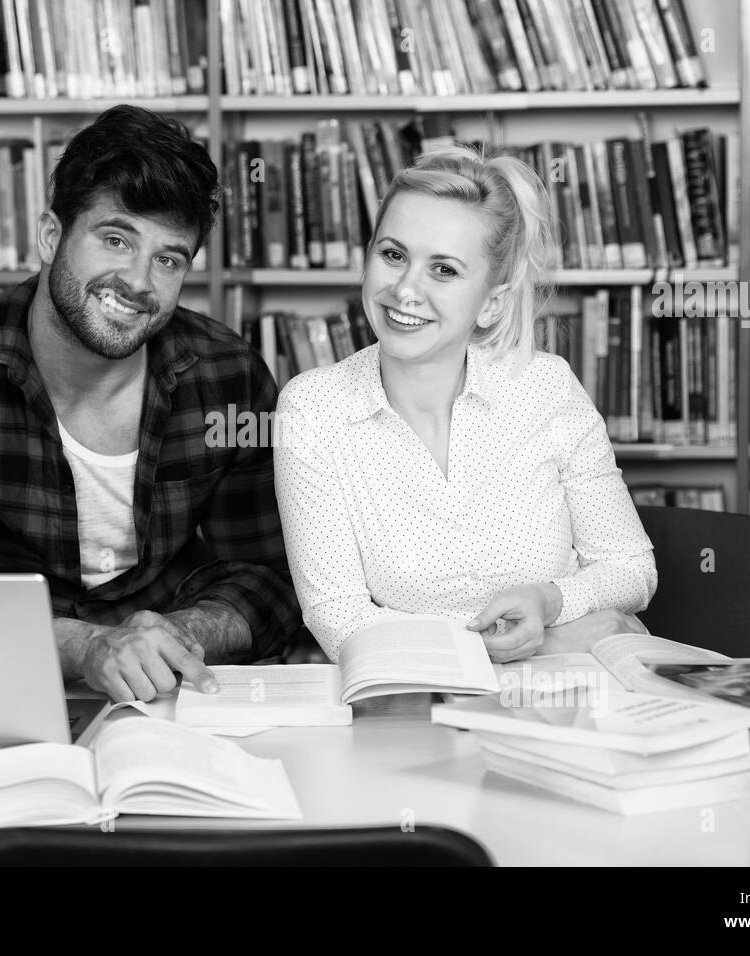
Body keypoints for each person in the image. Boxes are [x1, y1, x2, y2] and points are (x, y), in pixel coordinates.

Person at [0, 105, 300, 702]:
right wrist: (86, 646)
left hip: (171, 695)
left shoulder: (227, 375)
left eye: (168, 258)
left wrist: (178, 634)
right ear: (50, 235)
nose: (138, 281)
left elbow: (268, 581)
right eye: (116, 239)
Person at [274, 145, 657, 664]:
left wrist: (550, 601)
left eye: (445, 270)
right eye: (393, 255)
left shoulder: (546, 387)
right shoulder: (312, 410)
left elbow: (631, 570)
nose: (405, 290)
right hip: (415, 702)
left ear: (492, 301)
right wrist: (547, 640)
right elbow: (339, 621)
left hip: (563, 707)